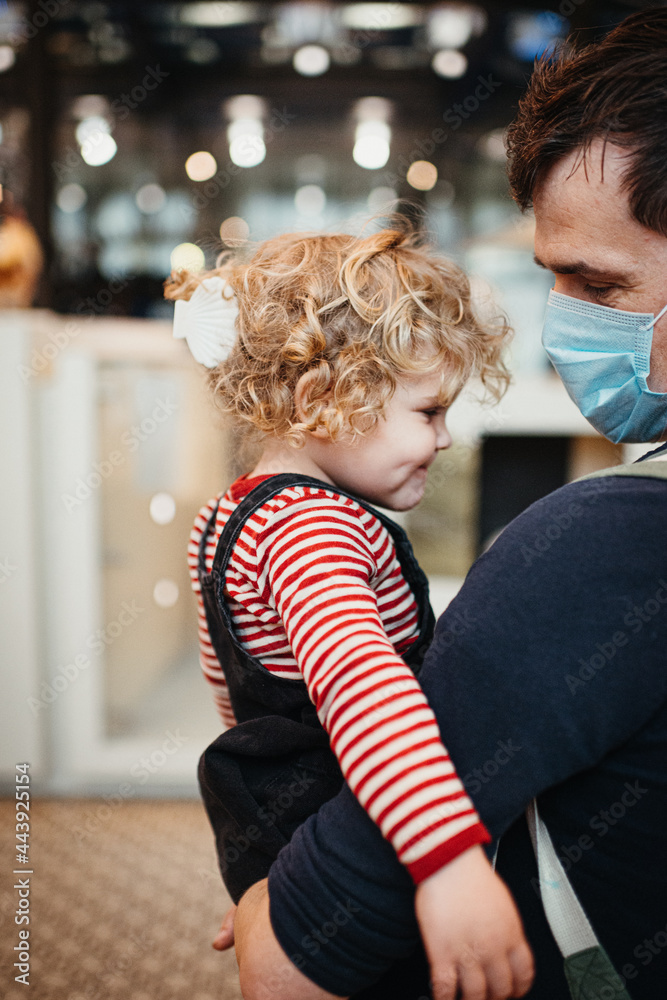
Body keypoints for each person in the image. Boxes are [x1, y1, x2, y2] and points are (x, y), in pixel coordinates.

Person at [231, 10, 667, 1000]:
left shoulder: (600, 548)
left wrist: (274, 887)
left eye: (599, 284)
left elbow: (279, 968)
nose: (567, 321)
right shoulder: (304, 530)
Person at [165, 227, 534, 999]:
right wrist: (447, 861)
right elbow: (361, 687)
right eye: (428, 411)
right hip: (366, 819)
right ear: (322, 402)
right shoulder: (314, 526)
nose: (443, 438)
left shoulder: (228, 516)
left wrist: (277, 870)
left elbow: (233, 693)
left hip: (292, 821)